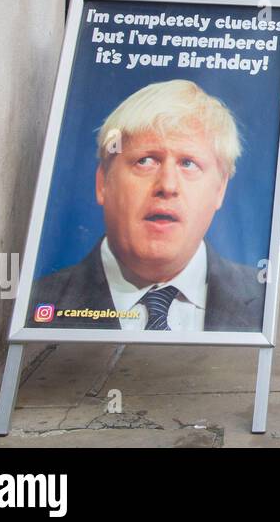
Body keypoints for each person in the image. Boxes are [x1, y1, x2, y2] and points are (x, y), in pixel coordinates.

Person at [29, 81, 265, 333]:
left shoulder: (264, 300)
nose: (168, 185)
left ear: (220, 189)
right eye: (146, 160)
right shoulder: (37, 303)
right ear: (102, 183)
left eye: (188, 163)